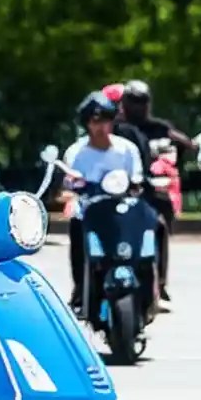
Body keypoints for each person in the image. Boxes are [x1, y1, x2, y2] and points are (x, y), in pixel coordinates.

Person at [60, 91, 146, 311]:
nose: (101, 126)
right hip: (89, 210)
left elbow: (137, 178)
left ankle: (149, 291)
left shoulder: (127, 149)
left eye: (106, 120)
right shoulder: (76, 152)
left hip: (121, 210)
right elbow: (68, 185)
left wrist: (136, 185)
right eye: (95, 121)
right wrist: (73, 187)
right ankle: (80, 289)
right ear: (87, 123)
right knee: (77, 225)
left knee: (148, 231)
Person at [118, 79, 190, 309]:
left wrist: (181, 147)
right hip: (116, 188)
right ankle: (84, 289)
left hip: (146, 187)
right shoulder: (114, 127)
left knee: (159, 224)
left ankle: (160, 283)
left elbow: (183, 144)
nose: (138, 107)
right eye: (133, 101)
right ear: (124, 103)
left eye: (142, 101)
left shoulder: (159, 128)